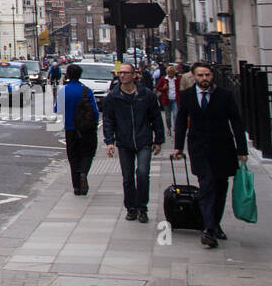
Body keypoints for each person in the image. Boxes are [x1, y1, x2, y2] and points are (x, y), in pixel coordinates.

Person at [173, 61, 247, 248]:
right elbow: (181, 122)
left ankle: (214, 224)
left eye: (207, 75)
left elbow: (236, 122)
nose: (204, 79)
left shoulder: (225, 96)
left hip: (223, 148)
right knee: (206, 187)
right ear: (193, 77)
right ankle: (208, 229)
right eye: (200, 75)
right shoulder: (187, 96)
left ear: (212, 76)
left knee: (220, 190)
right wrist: (178, 147)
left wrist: (242, 150)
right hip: (199, 149)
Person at [102, 62, 165, 223]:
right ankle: (131, 208)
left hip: (144, 140)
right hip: (124, 142)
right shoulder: (113, 96)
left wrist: (158, 140)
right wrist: (110, 141)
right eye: (120, 73)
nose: (122, 75)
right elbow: (108, 120)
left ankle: (142, 208)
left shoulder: (146, 95)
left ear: (134, 75)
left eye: (126, 73)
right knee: (128, 177)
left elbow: (156, 117)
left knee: (143, 175)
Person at [55, 63, 99, 195]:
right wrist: (95, 127)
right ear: (80, 75)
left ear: (68, 75)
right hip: (87, 129)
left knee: (73, 157)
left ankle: (77, 187)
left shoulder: (63, 91)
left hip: (70, 129)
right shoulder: (86, 90)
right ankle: (84, 172)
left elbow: (58, 110)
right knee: (88, 153)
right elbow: (95, 112)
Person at [157, 64, 179, 134]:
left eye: (172, 73)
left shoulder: (177, 79)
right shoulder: (164, 79)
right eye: (169, 73)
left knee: (176, 114)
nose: (171, 75)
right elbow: (158, 87)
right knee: (167, 116)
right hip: (166, 100)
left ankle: (176, 129)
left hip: (175, 99)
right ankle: (169, 128)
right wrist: (163, 88)